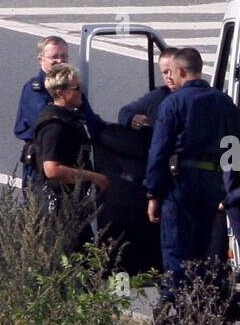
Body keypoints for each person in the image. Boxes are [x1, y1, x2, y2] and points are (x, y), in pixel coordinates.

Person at [145, 47, 240, 307]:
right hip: (212, 183)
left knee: (176, 245)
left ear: (180, 71)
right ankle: (205, 303)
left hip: (180, 183)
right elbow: (237, 146)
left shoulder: (173, 103)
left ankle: (174, 305)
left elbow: (159, 151)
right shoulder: (223, 101)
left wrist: (153, 193)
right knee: (205, 247)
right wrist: (230, 191)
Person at [33, 63, 109, 249]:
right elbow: (52, 169)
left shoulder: (70, 118)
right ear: (61, 92)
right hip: (61, 208)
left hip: (73, 204)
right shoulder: (55, 126)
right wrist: (94, 177)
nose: (81, 91)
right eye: (76, 88)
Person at [15, 35, 105, 187]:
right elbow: (48, 121)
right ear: (41, 60)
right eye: (54, 57)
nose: (60, 61)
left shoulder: (72, 88)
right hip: (43, 161)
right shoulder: (35, 89)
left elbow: (91, 121)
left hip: (70, 161)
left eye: (64, 56)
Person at [118, 48, 179, 131]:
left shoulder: (196, 96)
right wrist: (132, 119)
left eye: (172, 71)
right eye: (165, 72)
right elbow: (124, 112)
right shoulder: (158, 96)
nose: (169, 76)